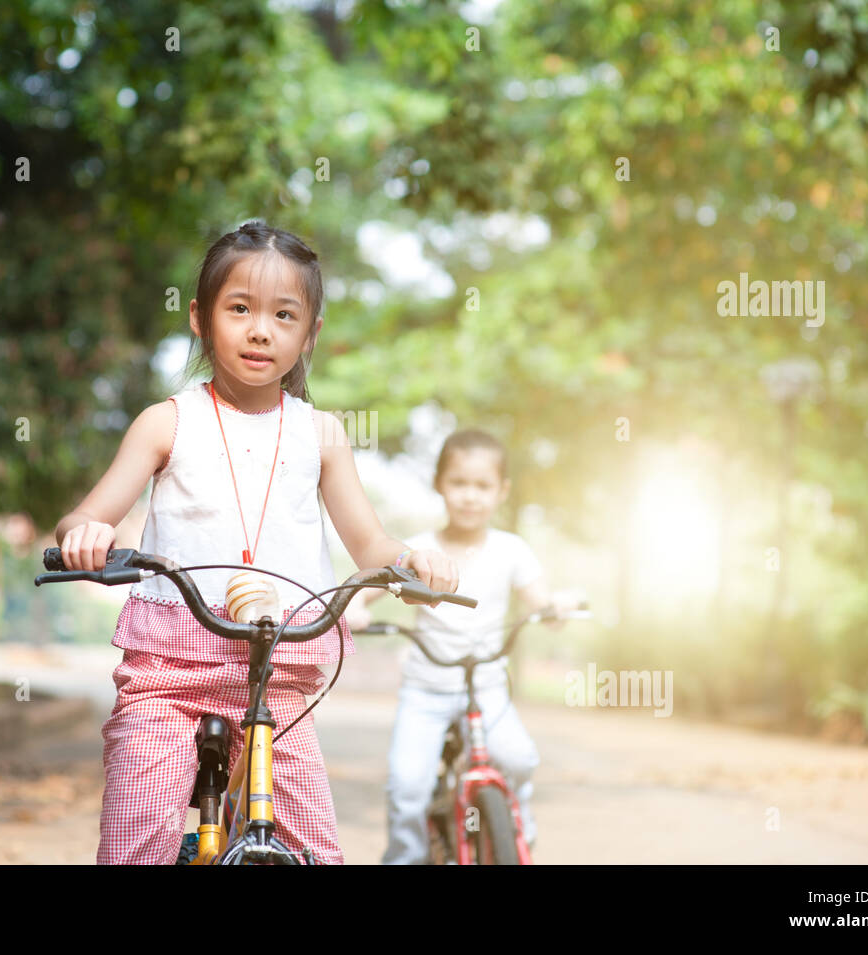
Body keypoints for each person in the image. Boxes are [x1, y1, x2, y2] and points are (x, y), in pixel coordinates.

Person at [53, 220, 460, 865]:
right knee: (140, 833)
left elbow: (370, 544)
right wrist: (86, 535)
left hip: (277, 677)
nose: (260, 329)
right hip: (171, 675)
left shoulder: (322, 434)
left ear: (311, 332)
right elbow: (86, 515)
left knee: (313, 846)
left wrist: (413, 561)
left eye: (284, 314)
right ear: (201, 317)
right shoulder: (168, 422)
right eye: (239, 308)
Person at [346, 429, 576, 864]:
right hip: (426, 689)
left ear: (501, 491)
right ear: (440, 484)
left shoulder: (512, 550)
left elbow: (541, 601)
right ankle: (405, 856)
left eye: (483, 486)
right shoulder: (420, 551)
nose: (470, 496)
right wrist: (355, 607)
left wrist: (554, 607)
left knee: (520, 758)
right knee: (407, 786)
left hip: (486, 685)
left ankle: (518, 827)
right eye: (459, 483)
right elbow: (370, 588)